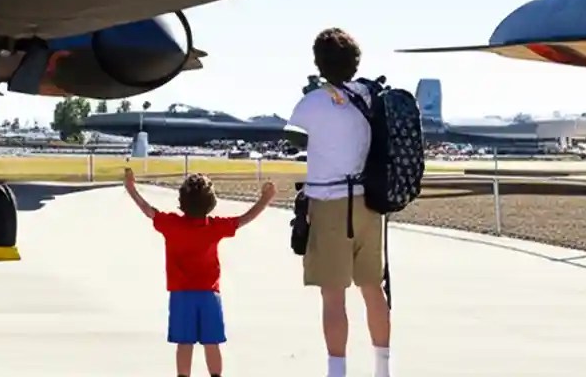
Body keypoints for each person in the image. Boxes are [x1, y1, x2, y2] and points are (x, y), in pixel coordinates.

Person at [286, 27, 391, 377]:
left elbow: (291, 140)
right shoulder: (370, 99)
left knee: (333, 297)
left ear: (318, 62)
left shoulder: (314, 102)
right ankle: (383, 369)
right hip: (369, 203)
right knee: (373, 289)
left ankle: (337, 372)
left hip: (330, 204)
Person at [123, 166, 275, 377]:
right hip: (209, 294)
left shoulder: (172, 224)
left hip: (181, 295)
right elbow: (244, 219)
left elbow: (148, 210)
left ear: (182, 201)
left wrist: (131, 188)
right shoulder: (214, 227)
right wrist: (265, 198)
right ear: (211, 203)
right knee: (212, 343)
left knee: (184, 343)